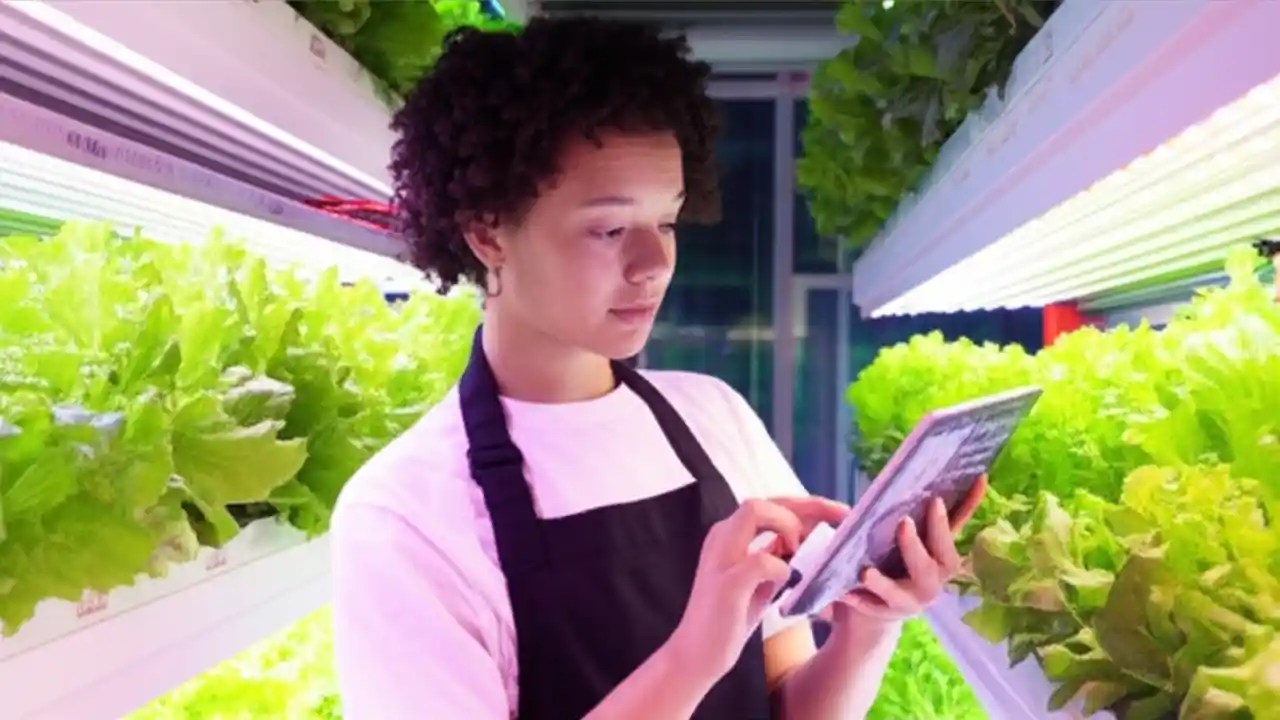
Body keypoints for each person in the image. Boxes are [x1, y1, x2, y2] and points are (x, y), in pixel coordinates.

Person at [329, 16, 985, 720]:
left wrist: (870, 623)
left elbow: (787, 707)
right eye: (610, 229)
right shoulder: (404, 514)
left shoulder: (714, 417)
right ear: (488, 232)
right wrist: (691, 658)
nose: (654, 265)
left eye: (666, 223)